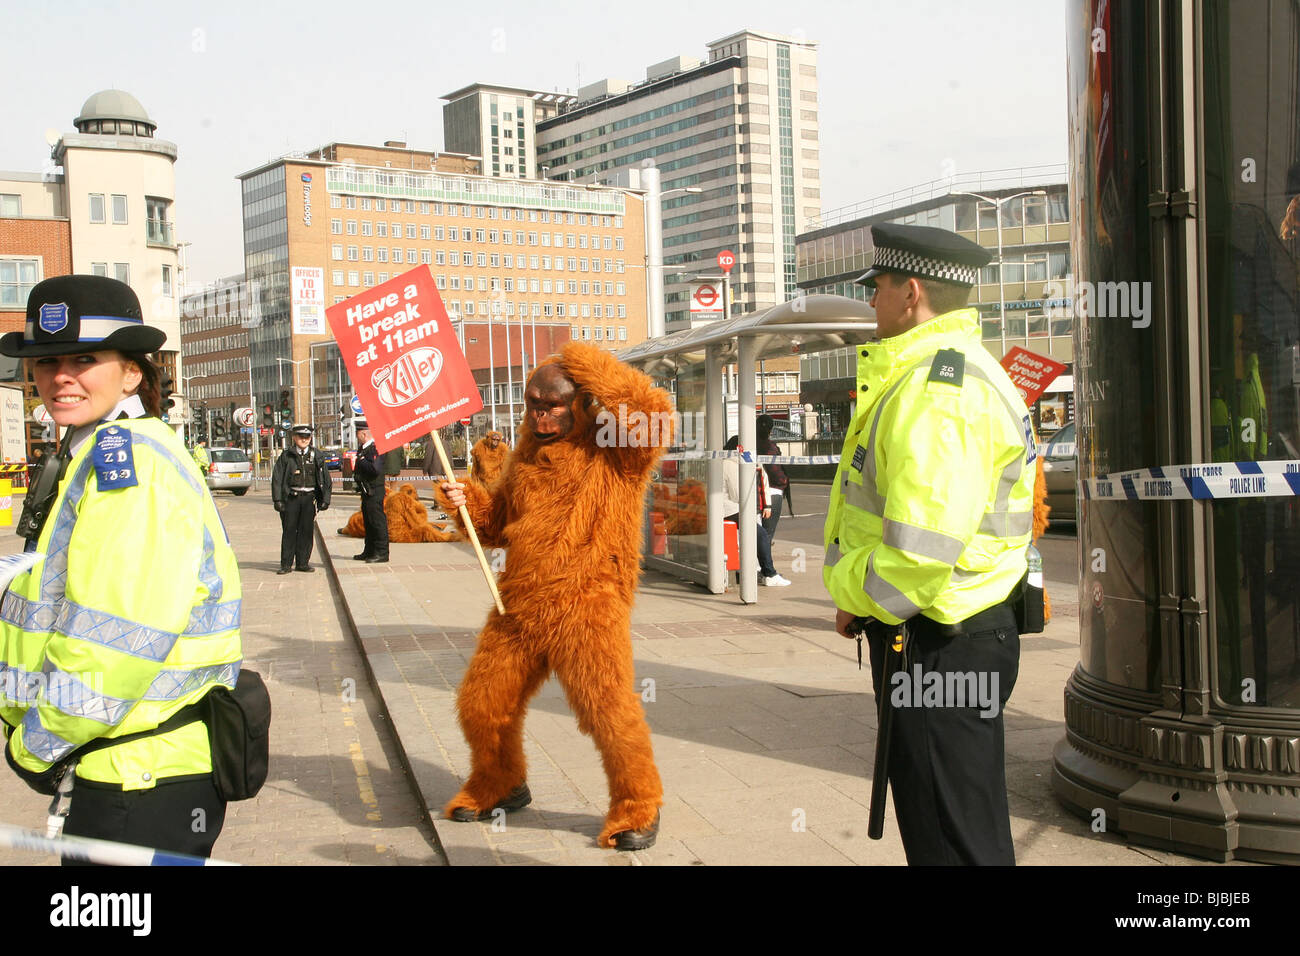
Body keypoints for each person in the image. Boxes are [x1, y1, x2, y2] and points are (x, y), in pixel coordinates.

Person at [0, 275, 242, 861]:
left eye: (86, 358)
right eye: (47, 360)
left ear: (133, 372)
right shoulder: (92, 450)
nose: (61, 376)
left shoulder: (126, 460)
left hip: (137, 771)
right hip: (121, 761)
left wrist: (36, 745)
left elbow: (115, 636)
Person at [823, 223, 1035, 866]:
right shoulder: (953, 372)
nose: (873, 302)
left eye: (878, 288)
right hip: (949, 635)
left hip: (939, 641)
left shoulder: (938, 391)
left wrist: (854, 593)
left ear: (910, 291)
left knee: (952, 839)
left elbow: (920, 553)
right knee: (954, 824)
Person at [436, 343, 671, 849]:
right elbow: (496, 526)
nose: (540, 415)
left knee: (607, 713)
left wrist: (582, 359)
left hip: (589, 606)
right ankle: (500, 782)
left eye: (553, 404)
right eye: (533, 404)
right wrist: (466, 501)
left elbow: (652, 415)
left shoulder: (618, 452)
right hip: (519, 606)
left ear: (583, 403)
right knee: (480, 703)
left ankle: (638, 804)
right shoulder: (524, 458)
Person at [723, 435, 789, 586]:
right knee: (761, 534)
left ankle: (761, 571)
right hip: (731, 510)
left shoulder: (734, 463)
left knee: (756, 535)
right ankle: (769, 573)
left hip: (733, 509)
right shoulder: (730, 464)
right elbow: (738, 493)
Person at [271, 424, 331, 574]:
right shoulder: (287, 455)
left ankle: (303, 563)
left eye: (307, 437)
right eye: (301, 437)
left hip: (309, 498)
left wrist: (325, 499)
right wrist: (277, 499)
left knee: (306, 531)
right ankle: (286, 564)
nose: (304, 440)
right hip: (291, 498)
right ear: (294, 438)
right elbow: (277, 478)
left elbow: (325, 478)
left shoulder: (317, 455)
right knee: (289, 531)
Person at [352, 421, 388, 563]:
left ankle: (382, 552)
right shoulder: (363, 449)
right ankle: (369, 550)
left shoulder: (376, 448)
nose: (356, 437)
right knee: (368, 521)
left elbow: (375, 469)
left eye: (357, 434)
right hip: (366, 490)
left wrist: (361, 461)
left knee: (377, 521)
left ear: (364, 433)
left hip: (375, 489)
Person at [756, 415, 790, 542]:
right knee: (767, 536)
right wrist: (784, 481)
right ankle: (764, 561)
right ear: (771, 430)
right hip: (773, 492)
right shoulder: (770, 447)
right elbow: (775, 471)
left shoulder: (750, 444)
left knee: (756, 534)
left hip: (754, 493)